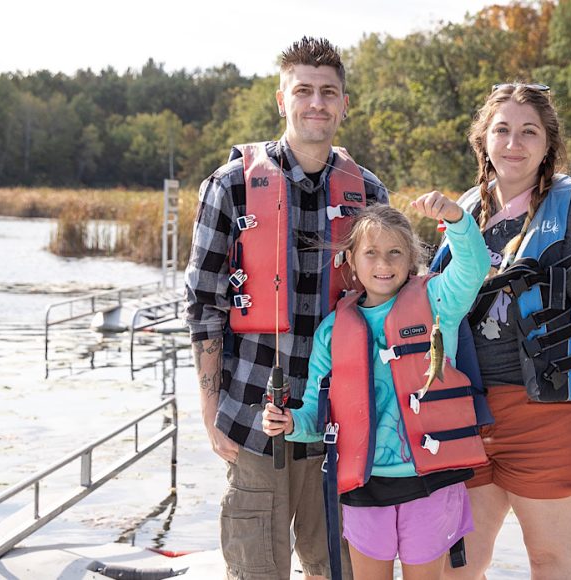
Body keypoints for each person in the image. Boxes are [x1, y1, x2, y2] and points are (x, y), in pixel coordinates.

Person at [184, 37, 389, 580]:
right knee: (257, 570)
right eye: (303, 90)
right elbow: (204, 304)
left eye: (328, 92)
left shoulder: (369, 193)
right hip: (256, 419)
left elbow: (391, 308)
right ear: (282, 100)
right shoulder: (228, 187)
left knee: (339, 569)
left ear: (345, 104)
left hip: (340, 422)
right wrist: (210, 414)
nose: (316, 103)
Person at [431, 83, 571, 580]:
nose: (513, 143)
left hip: (551, 421)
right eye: (501, 130)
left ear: (548, 145)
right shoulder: (464, 213)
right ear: (483, 141)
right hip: (466, 415)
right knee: (455, 567)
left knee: (552, 562)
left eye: (528, 132)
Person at [261, 197, 491, 580]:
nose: (383, 265)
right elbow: (317, 417)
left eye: (395, 252)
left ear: (411, 256)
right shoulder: (332, 331)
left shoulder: (439, 302)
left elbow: (474, 266)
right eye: (371, 253)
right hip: (366, 486)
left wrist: (455, 217)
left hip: (430, 483)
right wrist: (288, 423)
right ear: (351, 259)